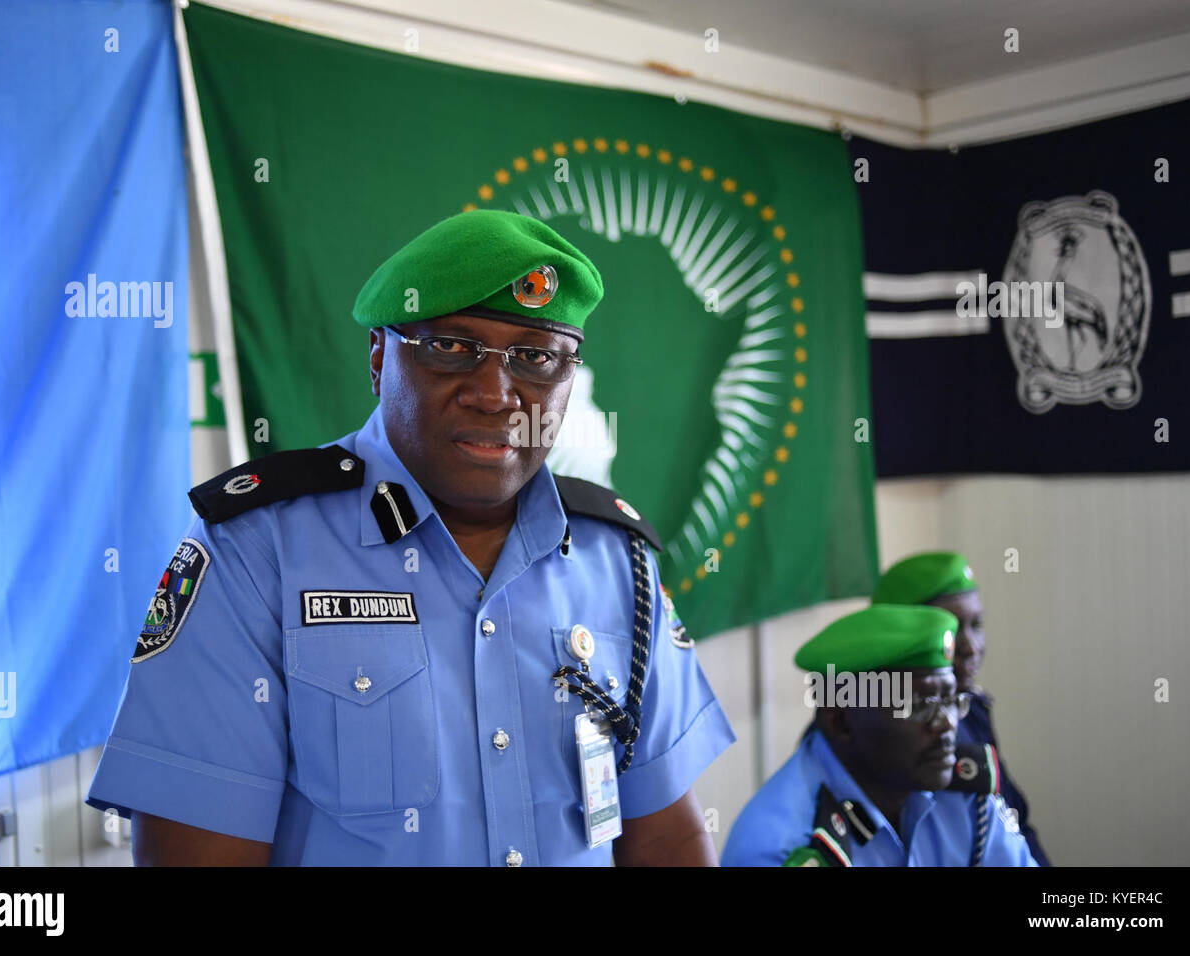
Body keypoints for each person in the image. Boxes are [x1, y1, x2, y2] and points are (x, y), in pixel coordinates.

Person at [85, 209, 735, 866]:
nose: (495, 393)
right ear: (378, 358)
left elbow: (667, 836)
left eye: (536, 356)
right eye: (451, 347)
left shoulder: (615, 560)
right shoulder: (254, 553)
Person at [721, 605, 1037, 866]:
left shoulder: (964, 794)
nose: (946, 724)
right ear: (841, 720)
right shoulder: (781, 846)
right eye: (918, 705)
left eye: (951, 700)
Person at [872, 551, 1051, 866]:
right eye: (951, 632)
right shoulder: (866, 730)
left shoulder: (973, 710)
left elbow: (1013, 819)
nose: (970, 647)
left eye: (977, 624)